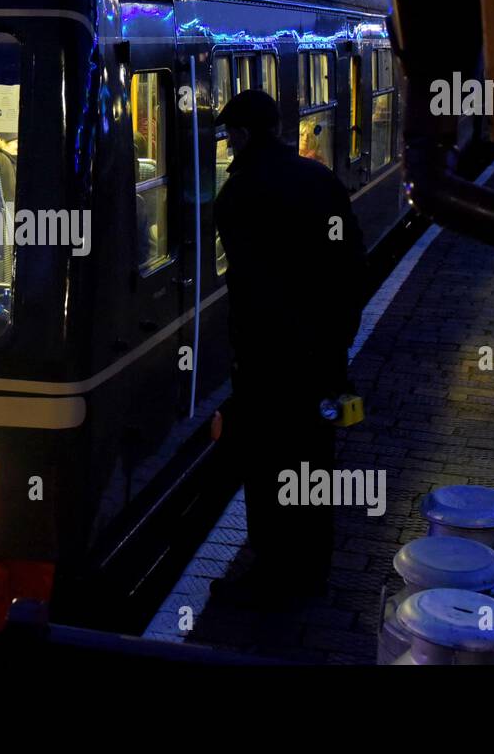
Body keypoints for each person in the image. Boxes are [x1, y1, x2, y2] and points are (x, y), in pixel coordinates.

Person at [209, 89, 366, 608]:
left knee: (267, 467)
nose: (228, 145)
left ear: (246, 134)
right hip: (319, 358)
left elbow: (249, 289)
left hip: (266, 362)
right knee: (312, 462)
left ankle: (272, 571)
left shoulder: (241, 194)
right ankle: (312, 567)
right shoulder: (320, 181)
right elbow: (350, 269)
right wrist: (336, 345)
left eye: (230, 135)